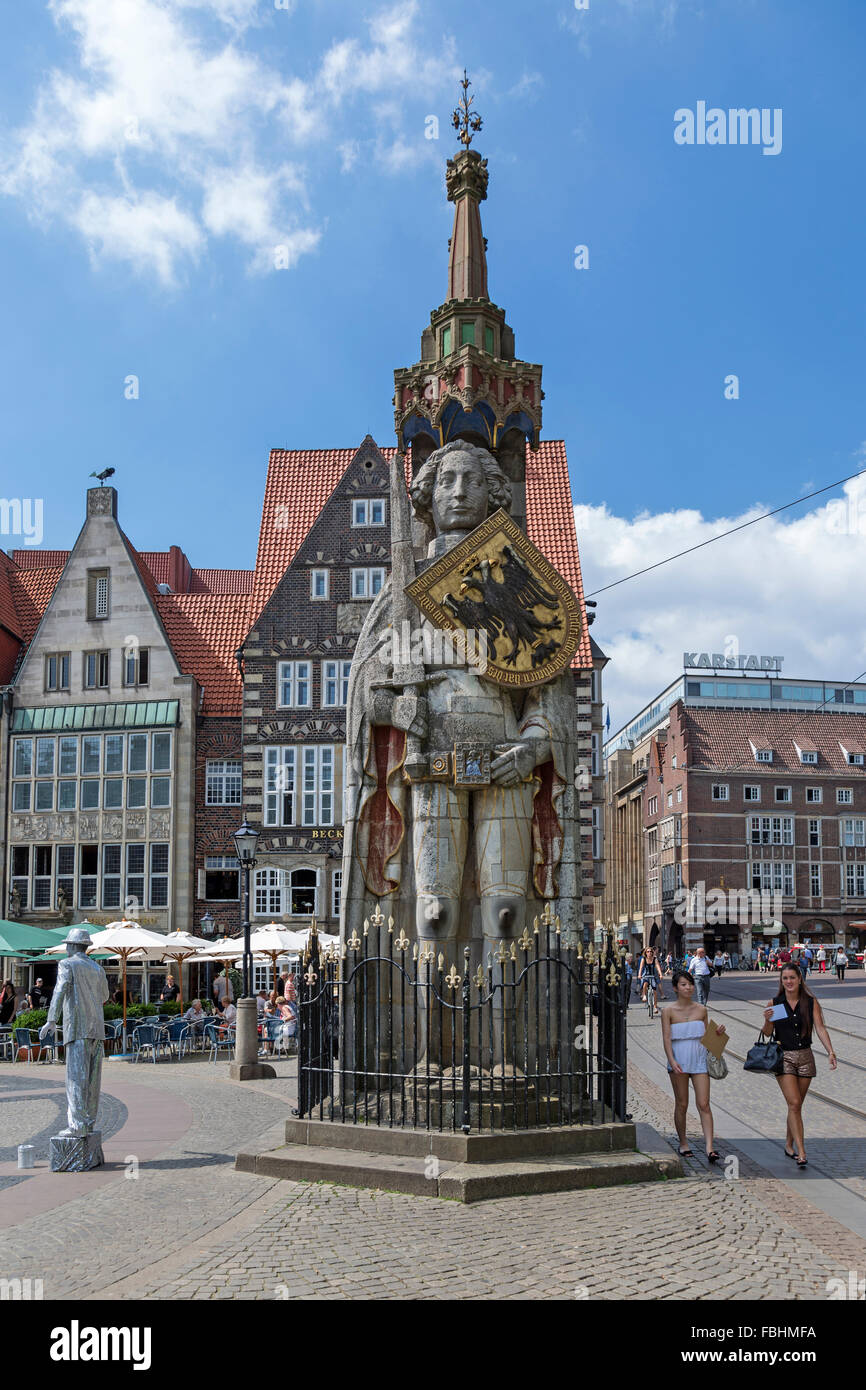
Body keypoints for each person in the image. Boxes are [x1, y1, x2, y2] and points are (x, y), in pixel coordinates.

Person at [761, 964, 836, 1167]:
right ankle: (801, 1151)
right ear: (781, 981)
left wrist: (830, 1051)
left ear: (800, 979)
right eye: (785, 978)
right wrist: (767, 1020)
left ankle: (788, 1144)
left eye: (792, 977)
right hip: (783, 1057)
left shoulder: (810, 1003)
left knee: (796, 1105)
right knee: (794, 1103)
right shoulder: (776, 1003)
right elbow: (767, 1033)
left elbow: (820, 1028)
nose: (789, 981)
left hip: (805, 1057)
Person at [661, 970, 726, 1161]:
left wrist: (718, 1034)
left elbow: (707, 1037)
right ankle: (683, 1143)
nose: (688, 988)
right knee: (682, 1103)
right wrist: (672, 1060)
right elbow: (666, 1038)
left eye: (690, 984)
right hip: (679, 1061)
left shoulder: (701, 1010)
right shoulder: (668, 1011)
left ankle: (710, 1147)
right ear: (675, 988)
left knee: (704, 1103)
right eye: (683, 984)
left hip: (699, 1060)